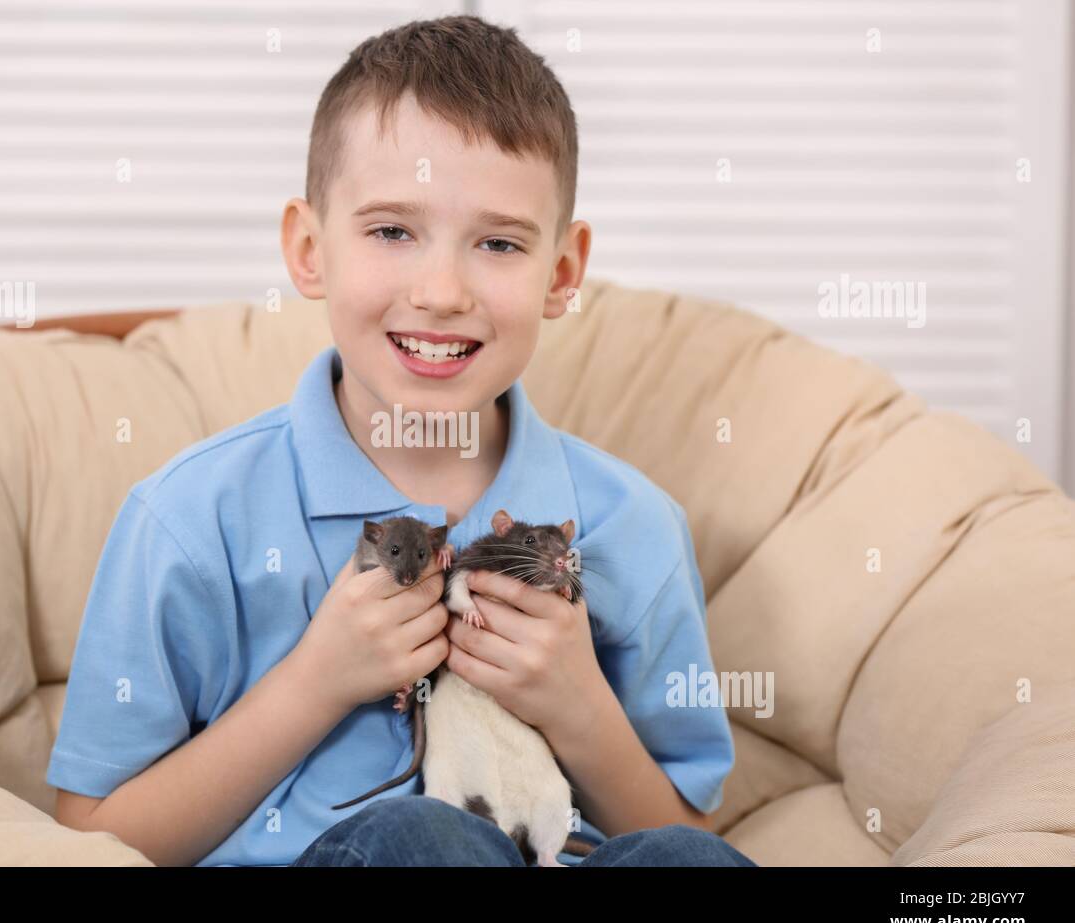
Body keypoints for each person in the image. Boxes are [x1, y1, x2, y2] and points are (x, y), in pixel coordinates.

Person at [47, 14, 754, 868]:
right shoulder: (191, 520)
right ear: (310, 251)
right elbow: (90, 839)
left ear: (562, 275)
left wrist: (578, 705)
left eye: (498, 243)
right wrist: (314, 684)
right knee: (425, 843)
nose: (442, 290)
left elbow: (682, 832)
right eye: (391, 231)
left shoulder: (629, 525)